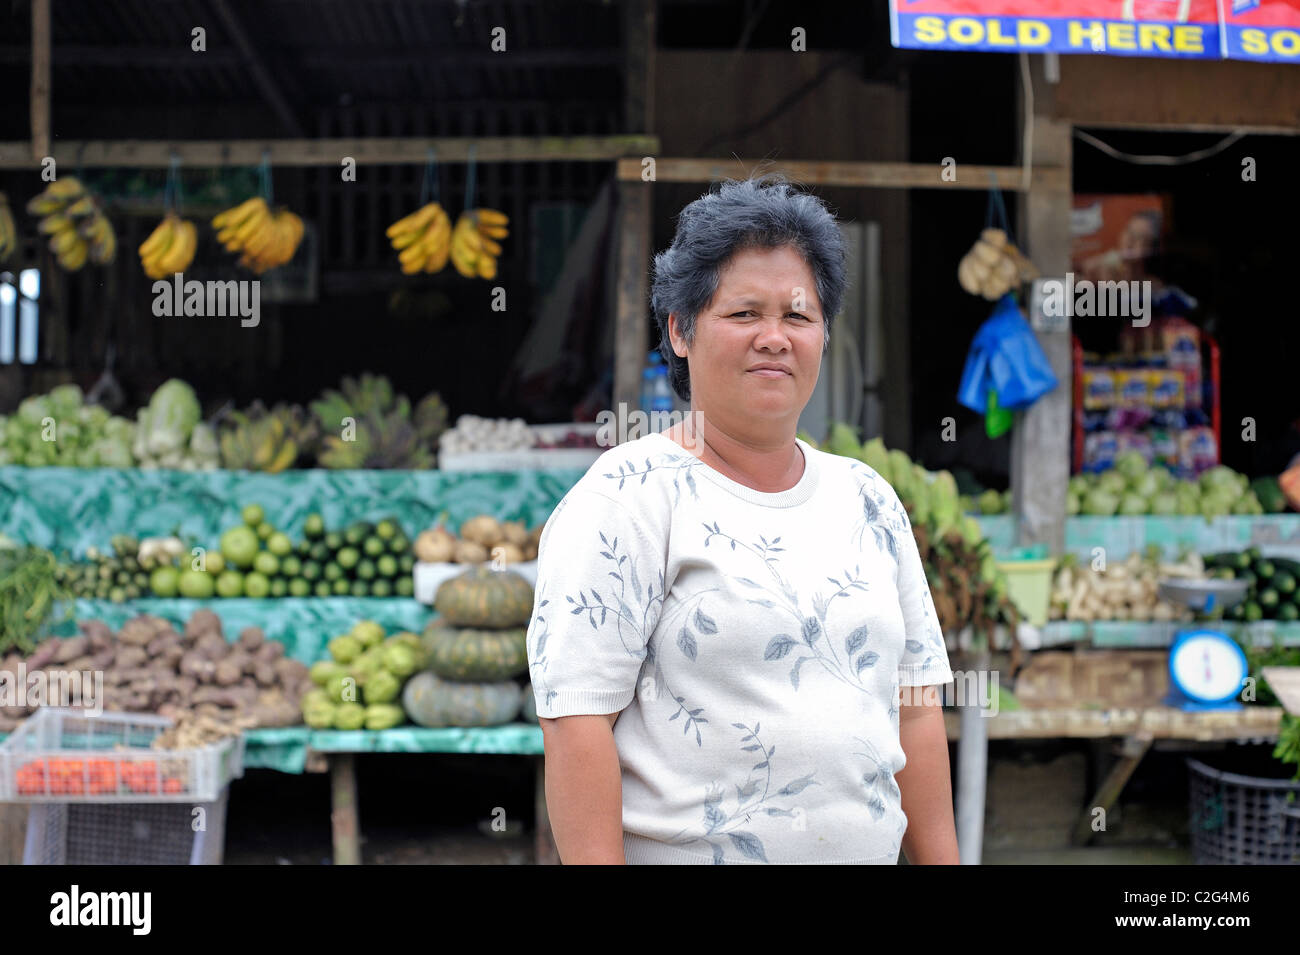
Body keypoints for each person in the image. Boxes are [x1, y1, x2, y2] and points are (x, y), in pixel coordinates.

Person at [526, 175, 957, 865]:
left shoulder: (868, 498)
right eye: (743, 313)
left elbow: (916, 706)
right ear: (680, 329)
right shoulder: (627, 498)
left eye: (797, 315)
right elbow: (576, 720)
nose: (774, 338)